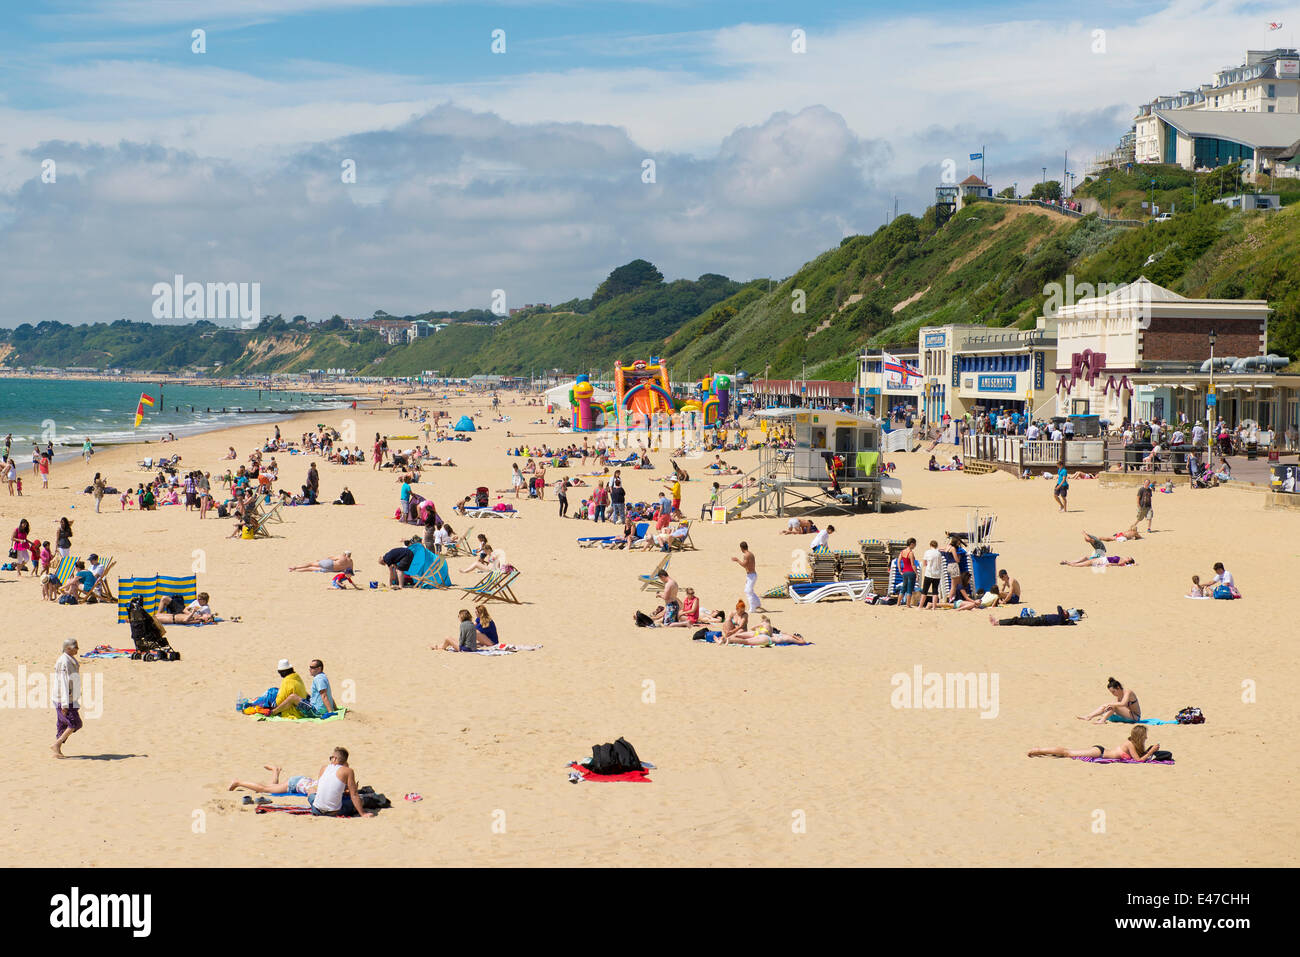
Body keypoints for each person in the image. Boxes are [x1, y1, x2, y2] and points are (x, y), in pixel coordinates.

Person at [1027, 725, 1159, 762]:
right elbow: (1139, 760)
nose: (1146, 737)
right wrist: (1150, 752)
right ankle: (1039, 750)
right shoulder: (1130, 744)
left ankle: (1041, 750)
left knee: (1067, 752)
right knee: (1068, 752)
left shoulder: (1132, 743)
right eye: (1145, 736)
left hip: (1101, 751)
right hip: (1099, 752)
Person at [307, 747, 374, 817]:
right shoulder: (348, 771)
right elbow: (354, 794)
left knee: (311, 790)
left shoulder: (323, 768)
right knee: (359, 800)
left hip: (316, 810)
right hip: (335, 812)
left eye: (331, 758)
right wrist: (362, 814)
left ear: (335, 758)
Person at [52, 638, 82, 758]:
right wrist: (64, 704)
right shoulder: (64, 662)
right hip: (63, 699)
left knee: (63, 725)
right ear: (68, 648)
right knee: (75, 723)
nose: (78, 649)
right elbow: (63, 682)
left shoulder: (70, 659)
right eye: (76, 647)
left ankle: (57, 750)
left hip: (68, 697)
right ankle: (56, 744)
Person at [227, 763, 317, 796]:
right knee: (266, 789)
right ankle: (238, 782)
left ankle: (275, 770)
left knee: (272, 787)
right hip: (295, 784)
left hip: (302, 780)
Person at [732, 541, 761, 613]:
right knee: (749, 590)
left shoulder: (746, 555)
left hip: (751, 575)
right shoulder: (751, 554)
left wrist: (737, 560)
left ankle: (752, 608)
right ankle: (757, 603)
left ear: (741, 548)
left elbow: (744, 565)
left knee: (748, 591)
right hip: (751, 575)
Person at [918, 539, 943, 611]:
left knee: (925, 590)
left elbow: (924, 563)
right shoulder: (939, 553)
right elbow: (940, 563)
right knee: (935, 591)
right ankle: (934, 607)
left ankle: (920, 606)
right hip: (937, 574)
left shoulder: (927, 552)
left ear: (930, 545)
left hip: (929, 573)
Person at [895, 537, 918, 608]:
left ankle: (898, 603)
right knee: (909, 589)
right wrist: (916, 573)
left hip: (904, 572)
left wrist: (900, 570)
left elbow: (898, 561)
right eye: (914, 544)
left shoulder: (902, 552)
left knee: (903, 588)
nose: (915, 545)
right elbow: (913, 564)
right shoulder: (910, 553)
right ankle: (908, 605)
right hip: (911, 572)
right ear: (911, 544)